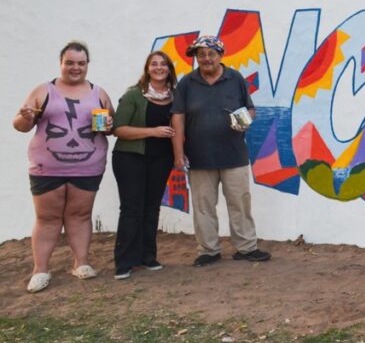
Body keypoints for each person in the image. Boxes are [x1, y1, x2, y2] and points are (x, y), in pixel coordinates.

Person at [12, 41, 113, 293]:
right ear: (61, 64)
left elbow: (110, 126)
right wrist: (25, 118)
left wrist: (109, 124)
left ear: (87, 65)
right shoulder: (43, 90)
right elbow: (21, 124)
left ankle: (81, 263)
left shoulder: (98, 92)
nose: (75, 68)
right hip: (47, 168)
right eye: (70, 63)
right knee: (47, 218)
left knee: (80, 216)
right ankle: (40, 269)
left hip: (88, 167)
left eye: (81, 63)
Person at [170, 35, 271, 266]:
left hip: (234, 154)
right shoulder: (187, 83)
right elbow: (178, 118)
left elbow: (251, 109)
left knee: (240, 202)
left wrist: (245, 120)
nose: (206, 59)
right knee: (203, 206)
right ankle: (208, 250)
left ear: (220, 55)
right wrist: (178, 154)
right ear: (196, 57)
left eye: (210, 54)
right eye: (200, 54)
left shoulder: (235, 78)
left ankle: (246, 247)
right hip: (199, 156)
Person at [110, 51, 178, 279]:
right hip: (130, 157)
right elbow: (118, 129)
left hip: (161, 159)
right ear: (147, 69)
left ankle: (148, 257)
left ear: (169, 69)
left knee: (151, 208)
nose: (159, 67)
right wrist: (153, 132)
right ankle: (125, 262)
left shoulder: (176, 97)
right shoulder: (133, 96)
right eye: (154, 64)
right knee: (131, 209)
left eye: (163, 64)